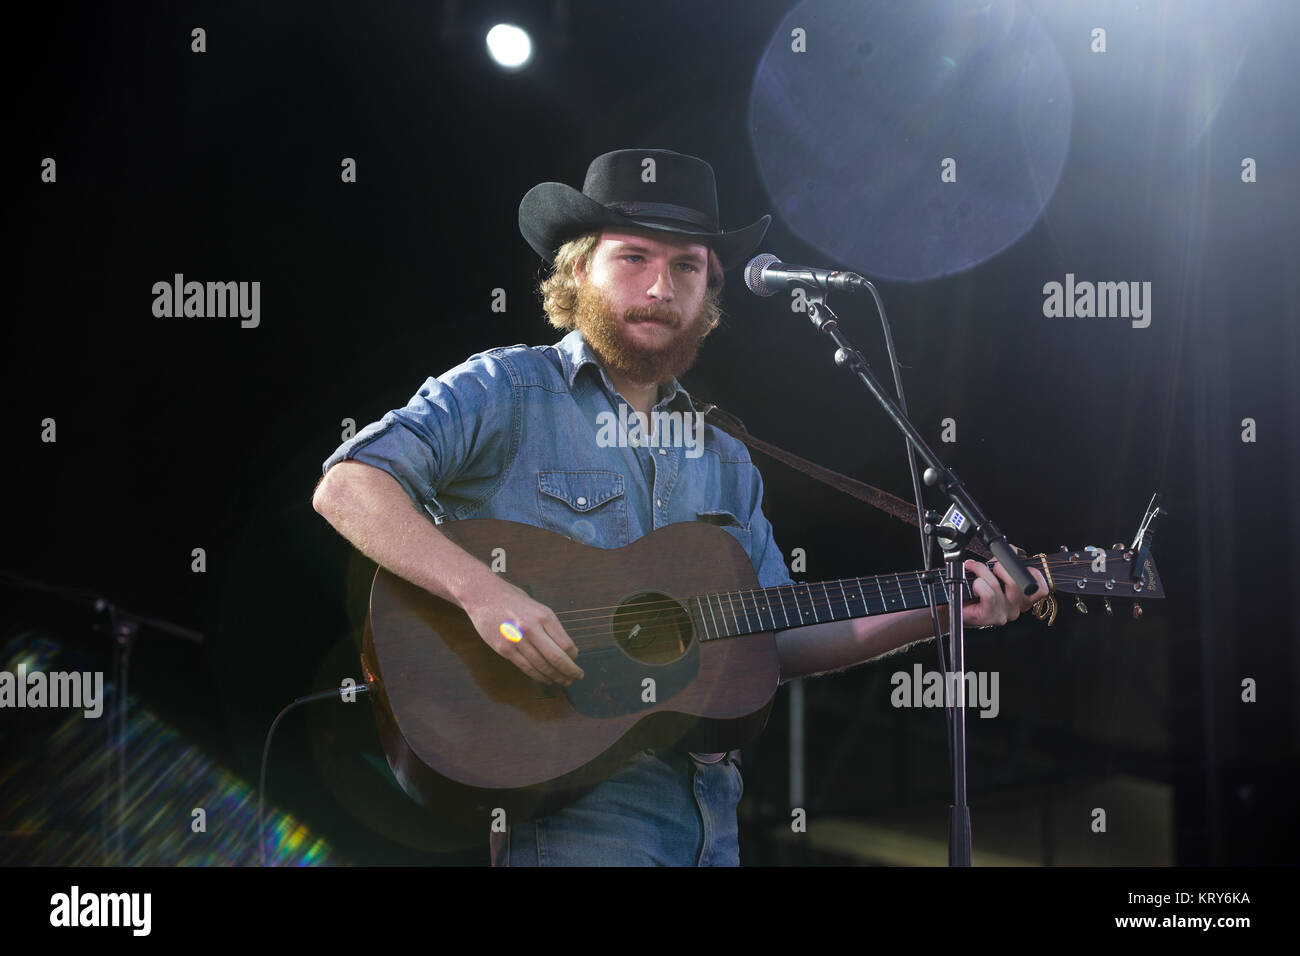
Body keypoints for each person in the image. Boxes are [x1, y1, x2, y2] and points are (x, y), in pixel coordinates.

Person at [311, 148, 1046, 866]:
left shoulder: (725, 456)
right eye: (634, 257)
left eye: (687, 266)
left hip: (710, 814)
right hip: (574, 809)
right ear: (578, 270)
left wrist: (945, 608)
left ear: (710, 294)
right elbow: (348, 485)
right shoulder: (510, 389)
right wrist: (487, 595)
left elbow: (777, 635)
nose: (662, 287)